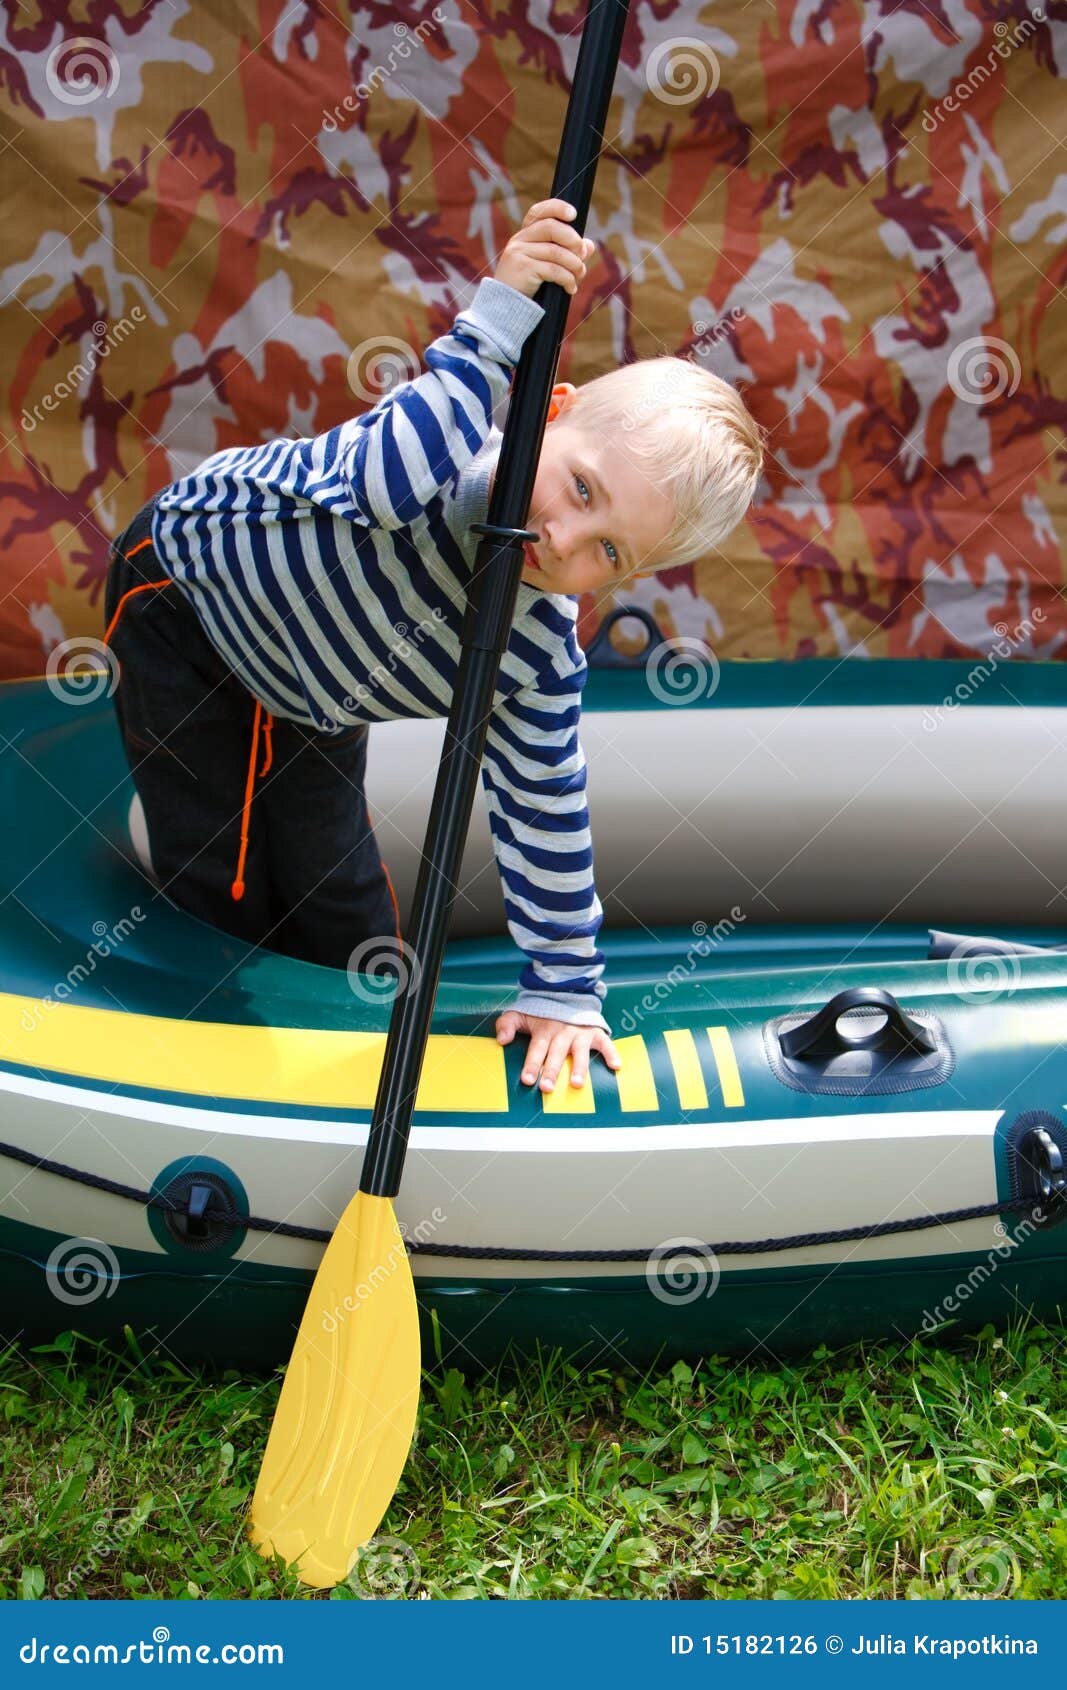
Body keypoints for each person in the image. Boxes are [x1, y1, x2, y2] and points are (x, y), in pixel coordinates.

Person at [104, 199, 763, 1096]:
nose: (563, 537)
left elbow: (545, 810)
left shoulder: (533, 655)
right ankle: (200, 1049)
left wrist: (565, 988)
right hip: (191, 604)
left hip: (320, 685)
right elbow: (381, 482)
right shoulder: (432, 453)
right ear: (548, 411)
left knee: (339, 896)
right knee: (220, 866)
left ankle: (351, 1055)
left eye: (608, 549)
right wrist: (499, 321)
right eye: (577, 484)